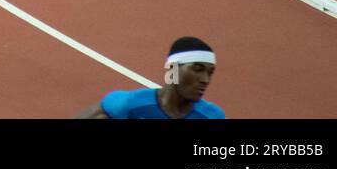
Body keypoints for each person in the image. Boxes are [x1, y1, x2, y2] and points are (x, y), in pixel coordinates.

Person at [74, 36, 226, 119]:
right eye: (197, 69)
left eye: (210, 72)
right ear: (173, 69)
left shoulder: (211, 116)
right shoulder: (131, 104)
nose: (205, 79)